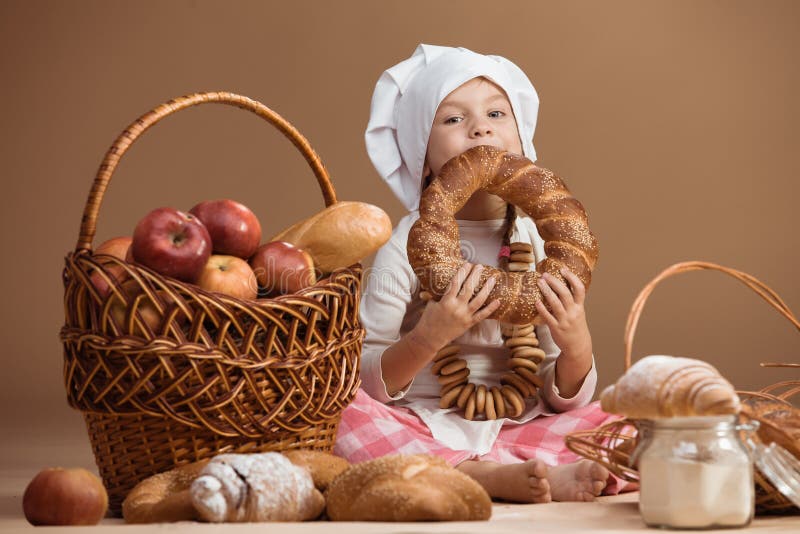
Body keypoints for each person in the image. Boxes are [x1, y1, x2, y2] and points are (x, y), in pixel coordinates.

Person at [334, 44, 628, 503]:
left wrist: (577, 342)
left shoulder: (541, 242)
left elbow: (563, 396)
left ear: (522, 140)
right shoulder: (405, 243)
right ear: (423, 158)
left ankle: (529, 470)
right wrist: (428, 338)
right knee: (342, 413)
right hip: (421, 423)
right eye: (453, 119)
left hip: (521, 424)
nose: (480, 127)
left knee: (625, 424)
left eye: (497, 113)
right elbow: (367, 378)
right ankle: (482, 476)